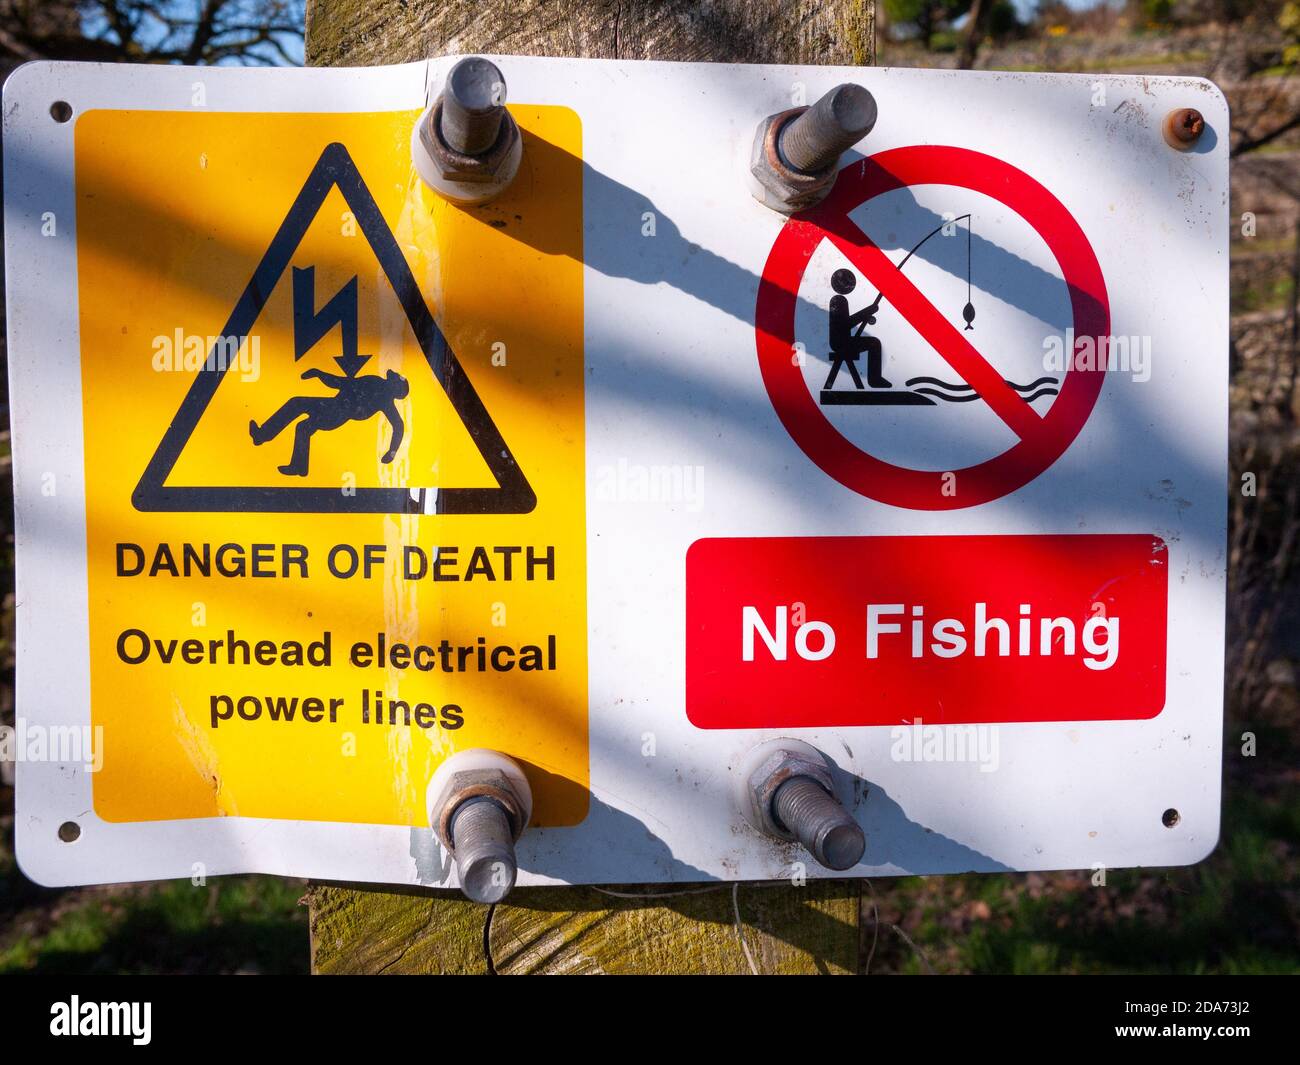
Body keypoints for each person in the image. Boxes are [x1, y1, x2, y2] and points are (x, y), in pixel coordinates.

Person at [250, 366, 409, 477]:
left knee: (297, 404)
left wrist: (320, 374)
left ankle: (263, 436)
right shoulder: (381, 392)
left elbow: (342, 383)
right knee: (303, 426)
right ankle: (299, 466)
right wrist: (319, 374)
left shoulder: (380, 390)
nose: (395, 374)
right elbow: (344, 383)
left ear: (395, 387)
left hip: (335, 412)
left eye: (398, 378)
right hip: (334, 408)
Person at [825, 268, 890, 391]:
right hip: (840, 343)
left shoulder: (839, 301)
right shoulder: (838, 301)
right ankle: (874, 380)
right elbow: (846, 324)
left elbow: (847, 323)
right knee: (874, 343)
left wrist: (867, 313)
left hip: (843, 341)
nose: (851, 284)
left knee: (874, 343)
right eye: (848, 281)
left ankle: (875, 379)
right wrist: (868, 311)